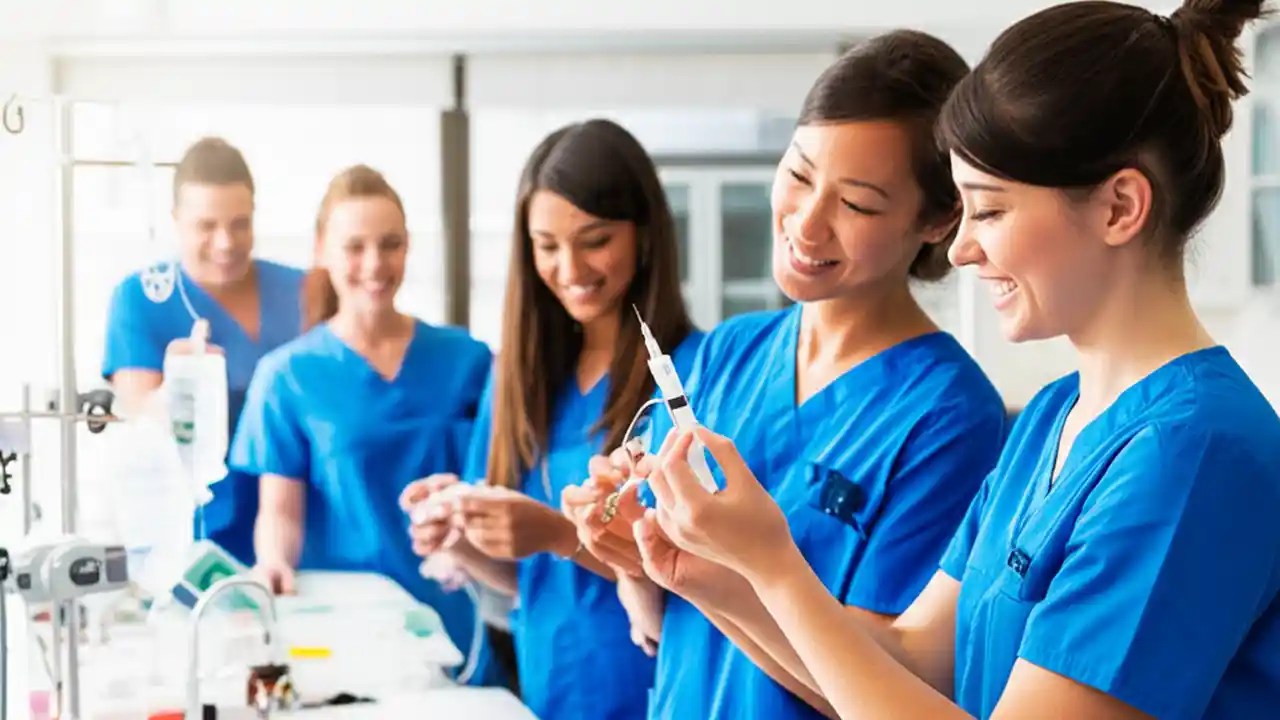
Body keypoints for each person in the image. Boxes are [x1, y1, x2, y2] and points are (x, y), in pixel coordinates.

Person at [633, 1, 1280, 718]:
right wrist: (713, 576)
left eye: (991, 210)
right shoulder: (1050, 418)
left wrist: (775, 566)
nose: (962, 248)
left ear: (1118, 207)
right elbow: (914, 660)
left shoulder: (1195, 454)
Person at [565, 31, 1007, 720]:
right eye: (799, 174)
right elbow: (660, 625)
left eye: (856, 204)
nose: (805, 223)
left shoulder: (947, 415)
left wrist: (732, 574)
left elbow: (891, 690)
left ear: (937, 218)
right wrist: (628, 554)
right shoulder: (723, 354)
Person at [399, 119, 703, 720]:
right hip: (549, 692)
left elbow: (693, 581)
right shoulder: (521, 380)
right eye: (547, 245)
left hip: (656, 692)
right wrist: (464, 533)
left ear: (643, 235)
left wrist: (560, 534)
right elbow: (525, 581)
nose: (570, 268)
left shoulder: (689, 377)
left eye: (594, 240)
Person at [228, 165, 492, 672]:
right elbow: (281, 511)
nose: (375, 263)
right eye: (355, 247)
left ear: (408, 246)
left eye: (390, 244)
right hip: (344, 627)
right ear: (321, 250)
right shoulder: (288, 377)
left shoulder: (467, 360)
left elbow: (495, 483)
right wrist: (273, 562)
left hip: (454, 618)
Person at [103, 137, 304, 566]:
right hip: (195, 527)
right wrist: (182, 386)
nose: (226, 242)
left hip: (299, 523)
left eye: (240, 223)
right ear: (177, 220)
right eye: (206, 226)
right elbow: (140, 409)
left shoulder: (300, 291)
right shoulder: (144, 298)